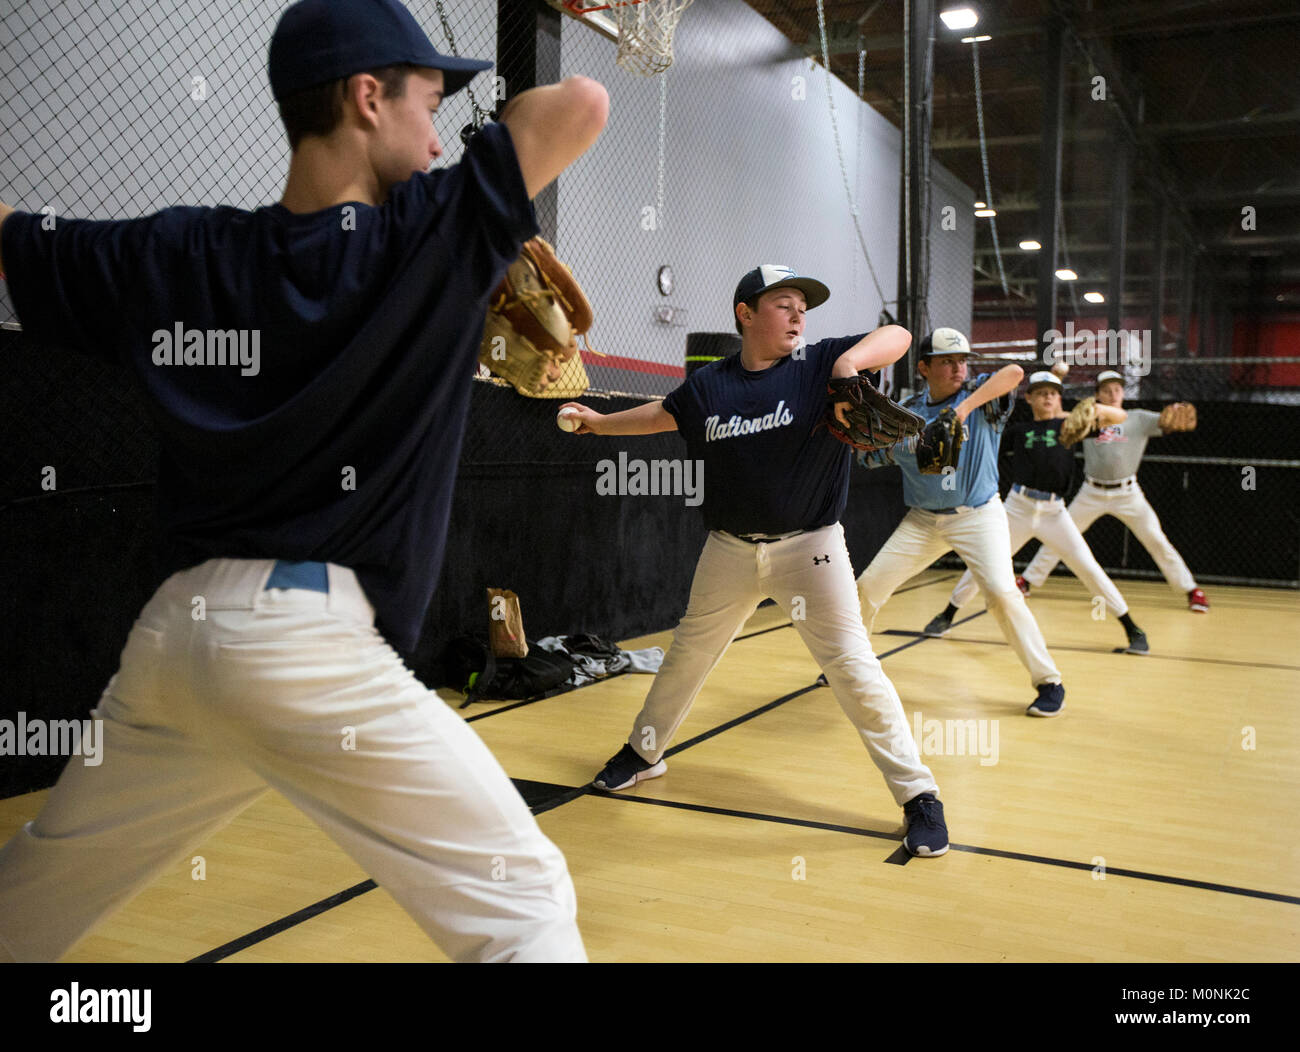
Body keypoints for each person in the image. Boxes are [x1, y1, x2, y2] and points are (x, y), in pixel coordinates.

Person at [0, 0, 608, 963]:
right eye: (428, 97)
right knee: (522, 898)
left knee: (36, 887)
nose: (439, 124)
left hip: (175, 646)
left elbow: (14, 240)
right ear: (367, 98)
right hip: (308, 649)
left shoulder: (181, 251)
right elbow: (580, 100)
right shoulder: (432, 232)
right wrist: (480, 178)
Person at [557, 265, 950, 858]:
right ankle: (643, 752)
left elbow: (895, 338)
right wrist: (598, 423)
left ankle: (919, 795)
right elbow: (664, 413)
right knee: (689, 654)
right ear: (745, 313)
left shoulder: (820, 365)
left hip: (811, 550)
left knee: (852, 666)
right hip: (729, 549)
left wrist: (850, 366)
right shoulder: (710, 386)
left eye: (802, 307)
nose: (798, 315)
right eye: (784, 305)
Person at [855, 328, 1069, 717]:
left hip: (978, 515)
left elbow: (1015, 373)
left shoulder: (982, 396)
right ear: (924, 367)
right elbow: (874, 457)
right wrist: (870, 444)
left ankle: (1049, 681)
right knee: (867, 588)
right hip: (922, 521)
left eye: (963, 360)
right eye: (947, 361)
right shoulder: (908, 411)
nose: (958, 367)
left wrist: (962, 409)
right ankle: (853, 666)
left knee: (1003, 594)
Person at [921, 370, 1149, 655]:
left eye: (1053, 393)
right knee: (986, 562)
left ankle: (1131, 627)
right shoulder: (1018, 431)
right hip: (1018, 507)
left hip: (1055, 512)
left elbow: (1121, 418)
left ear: (1060, 398)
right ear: (1028, 398)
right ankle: (948, 614)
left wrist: (1093, 409)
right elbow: (987, 456)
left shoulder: (1070, 426)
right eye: (1041, 393)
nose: (1048, 398)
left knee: (1088, 567)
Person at [1020, 370, 1209, 613]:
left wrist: (1176, 411)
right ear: (1097, 394)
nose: (1113, 394)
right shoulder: (1088, 417)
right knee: (1061, 536)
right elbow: (1056, 416)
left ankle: (1191, 590)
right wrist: (1056, 378)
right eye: (1107, 390)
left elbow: (1166, 420)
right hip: (1091, 492)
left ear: (1123, 393)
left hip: (1128, 494)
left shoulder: (1137, 418)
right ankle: (1027, 580)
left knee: (1156, 539)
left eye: (1117, 389)